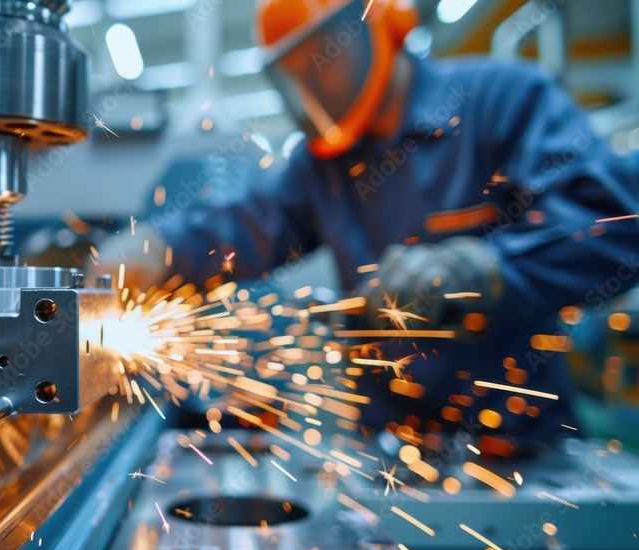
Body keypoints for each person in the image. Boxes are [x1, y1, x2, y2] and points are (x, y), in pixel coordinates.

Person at [93, 0, 639, 453]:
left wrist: (481, 270)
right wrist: (154, 249)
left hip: (517, 447)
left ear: (381, 24)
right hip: (391, 453)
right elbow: (247, 227)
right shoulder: (322, 167)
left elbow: (614, 227)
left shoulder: (504, 101)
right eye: (296, 72)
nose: (314, 81)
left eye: (323, 58)